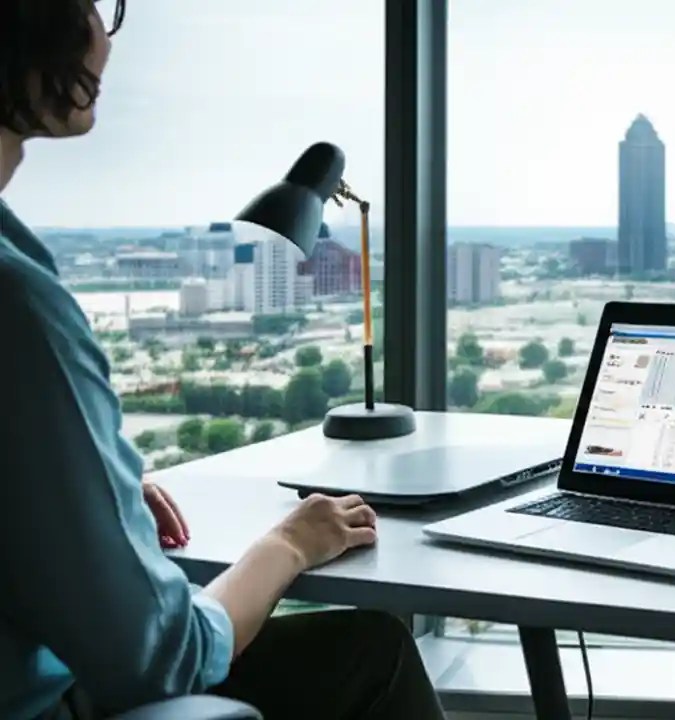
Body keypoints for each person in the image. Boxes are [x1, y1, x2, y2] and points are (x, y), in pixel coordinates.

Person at [0, 2, 447, 718]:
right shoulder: (19, 309)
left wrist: (67, 488)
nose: (103, 29)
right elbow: (160, 658)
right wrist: (290, 544)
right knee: (374, 655)